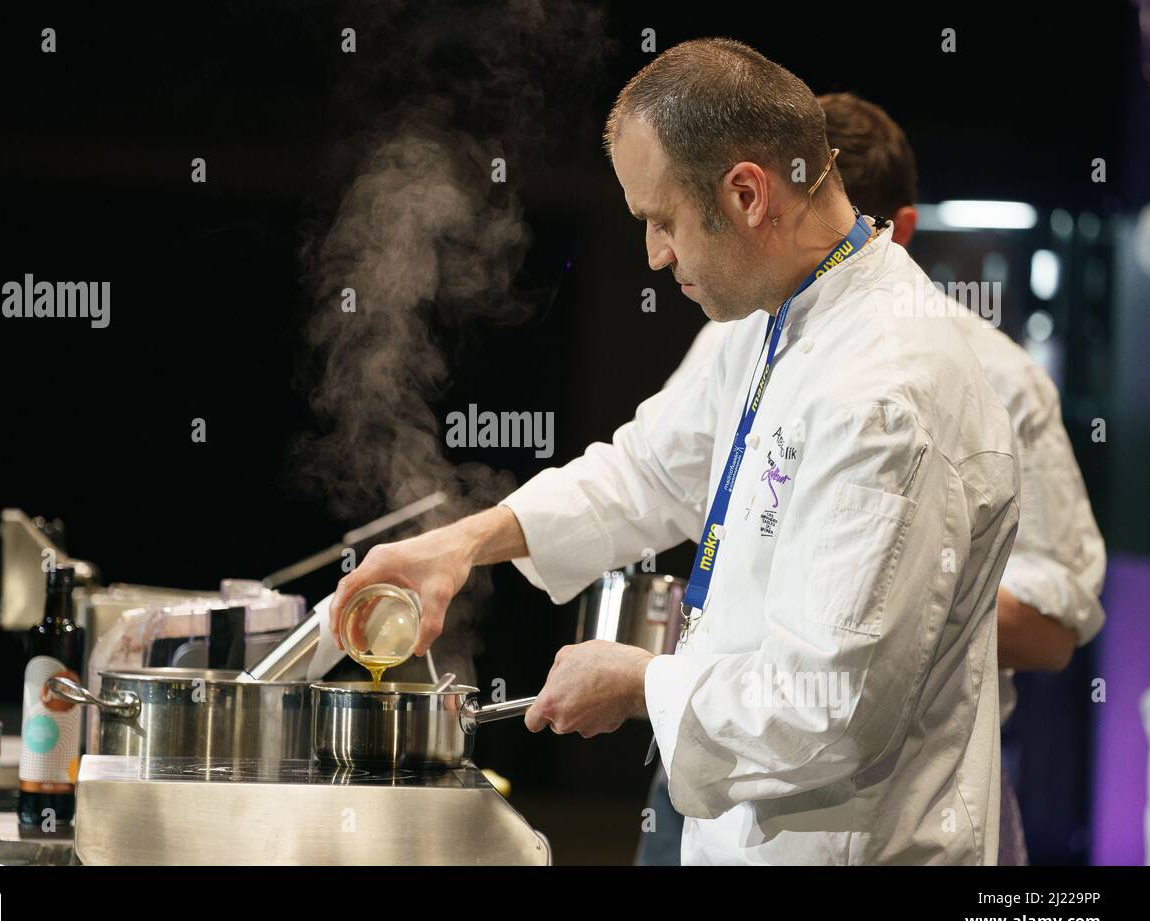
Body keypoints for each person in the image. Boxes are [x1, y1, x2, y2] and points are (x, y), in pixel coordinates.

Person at [332, 39, 1020, 864]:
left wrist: (641, 684)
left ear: (745, 193)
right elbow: (650, 469)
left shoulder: (887, 391)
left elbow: (827, 708)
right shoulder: (779, 314)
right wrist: (460, 544)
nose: (655, 255)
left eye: (662, 221)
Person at [636, 93, 1108, 866]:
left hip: (885, 800)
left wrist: (899, 610)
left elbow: (1054, 630)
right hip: (716, 742)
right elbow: (645, 468)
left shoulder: (967, 377)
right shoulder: (753, 331)